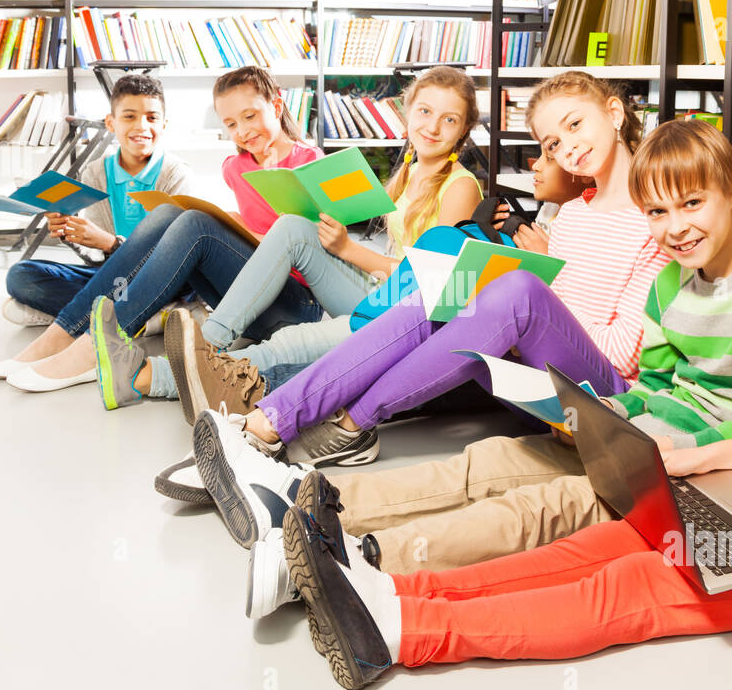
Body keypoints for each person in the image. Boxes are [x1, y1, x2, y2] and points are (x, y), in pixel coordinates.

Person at [280, 113, 732, 690]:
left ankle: (403, 634)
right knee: (590, 548)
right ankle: (390, 590)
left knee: (621, 593)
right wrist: (698, 460)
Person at [243, 117, 732, 618]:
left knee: (537, 507)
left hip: (711, 460)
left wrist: (680, 447)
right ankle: (308, 497)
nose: (675, 228)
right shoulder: (669, 276)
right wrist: (602, 416)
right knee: (491, 458)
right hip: (647, 434)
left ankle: (350, 557)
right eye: (658, 212)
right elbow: (653, 384)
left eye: (692, 204)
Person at [190, 71, 669, 550]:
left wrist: (532, 307)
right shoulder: (575, 213)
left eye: (575, 125)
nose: (567, 148)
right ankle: (268, 424)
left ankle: (349, 424)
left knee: (517, 289)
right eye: (552, 140)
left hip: (604, 405)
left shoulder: (657, 216)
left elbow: (627, 354)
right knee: (443, 288)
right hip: (537, 387)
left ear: (614, 112)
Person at [132, 65, 485, 423]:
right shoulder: (410, 170)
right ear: (407, 112)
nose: (433, 127)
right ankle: (209, 342)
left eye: (450, 119)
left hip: (408, 313)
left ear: (464, 130)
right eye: (425, 111)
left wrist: (346, 249)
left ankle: (162, 374)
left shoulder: (460, 186)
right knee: (292, 226)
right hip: (386, 294)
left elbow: (431, 285)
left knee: (286, 345)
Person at [0, 66, 323, 394]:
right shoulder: (235, 167)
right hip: (242, 309)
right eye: (231, 124)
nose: (243, 131)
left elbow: (316, 253)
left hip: (295, 307)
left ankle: (96, 344)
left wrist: (237, 227)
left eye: (250, 116)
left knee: (194, 222)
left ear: (277, 106)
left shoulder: (310, 162)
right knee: (170, 211)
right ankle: (63, 333)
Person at [0, 74, 196, 343]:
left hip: (162, 279)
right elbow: (98, 262)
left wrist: (110, 243)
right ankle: (140, 318)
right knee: (21, 276)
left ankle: (76, 315)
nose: (142, 126)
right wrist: (72, 235)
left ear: (164, 124)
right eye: (129, 117)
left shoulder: (176, 174)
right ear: (111, 123)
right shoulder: (96, 171)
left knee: (191, 287)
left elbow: (173, 259)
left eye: (152, 118)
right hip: (115, 278)